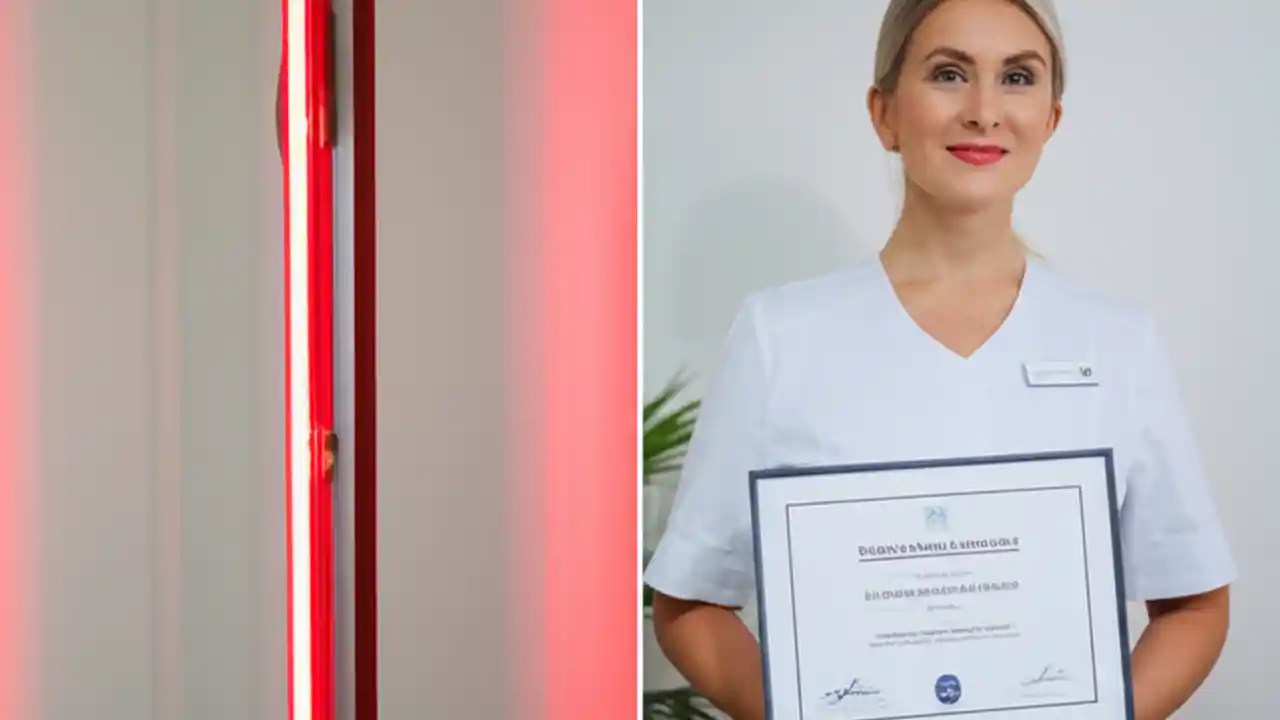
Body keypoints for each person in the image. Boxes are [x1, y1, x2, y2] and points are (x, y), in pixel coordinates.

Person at [642, 1, 1236, 718]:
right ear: (885, 113)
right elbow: (690, 602)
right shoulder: (781, 336)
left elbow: (1194, 605)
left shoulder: (1116, 342)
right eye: (949, 74)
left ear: (1050, 119)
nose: (984, 111)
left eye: (1018, 77)